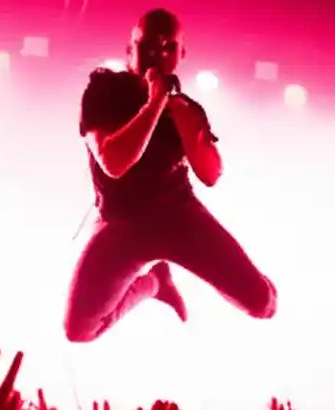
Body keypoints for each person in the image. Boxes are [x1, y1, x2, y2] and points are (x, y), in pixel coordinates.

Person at [63, 8, 277, 343]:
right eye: (147, 43)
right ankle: (154, 284)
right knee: (79, 330)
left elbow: (210, 173)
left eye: (168, 47)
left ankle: (163, 280)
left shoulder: (186, 107)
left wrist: (189, 126)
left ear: (182, 54)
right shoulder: (104, 89)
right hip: (122, 224)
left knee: (263, 304)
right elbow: (113, 162)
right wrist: (153, 104)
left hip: (180, 218)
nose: (157, 53)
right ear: (129, 46)